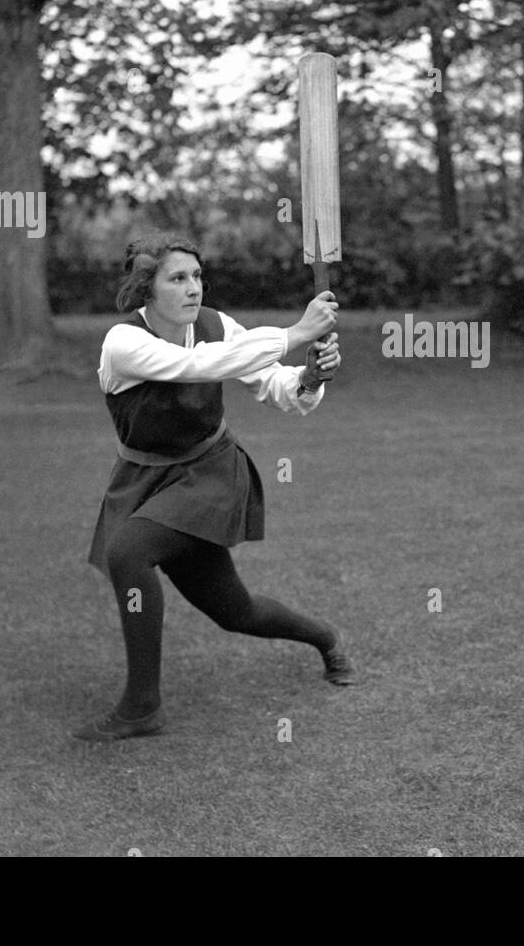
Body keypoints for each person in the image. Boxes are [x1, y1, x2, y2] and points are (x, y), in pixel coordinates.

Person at [75, 230, 356, 742]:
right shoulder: (123, 342)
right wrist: (296, 333)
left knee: (129, 553)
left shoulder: (215, 325)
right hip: (146, 478)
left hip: (211, 472)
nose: (192, 288)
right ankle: (327, 638)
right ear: (146, 289)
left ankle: (142, 708)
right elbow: (195, 367)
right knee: (235, 611)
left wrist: (309, 376)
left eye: (197, 277)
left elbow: (273, 384)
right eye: (177, 279)